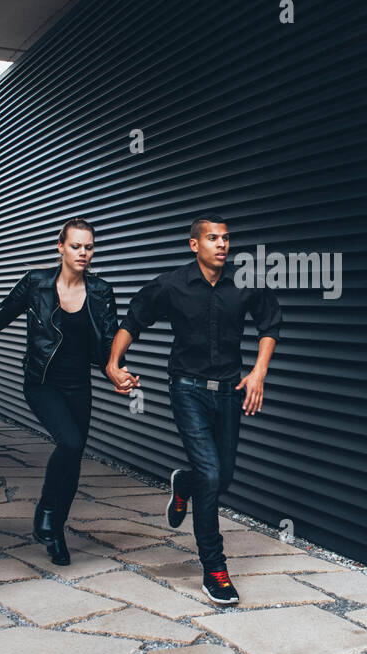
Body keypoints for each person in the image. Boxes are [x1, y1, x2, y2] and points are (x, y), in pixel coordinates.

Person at [0, 218, 130, 566]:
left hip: (78, 384)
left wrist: (118, 370)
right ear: (60, 247)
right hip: (41, 382)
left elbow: (111, 342)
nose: (83, 253)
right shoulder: (36, 284)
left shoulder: (100, 291)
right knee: (70, 442)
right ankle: (47, 513)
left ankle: (55, 529)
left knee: (73, 454)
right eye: (76, 245)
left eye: (89, 247)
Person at [106, 215, 281, 605]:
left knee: (223, 478)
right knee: (211, 474)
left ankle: (183, 483)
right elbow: (134, 319)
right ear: (194, 245)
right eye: (213, 238)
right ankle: (214, 569)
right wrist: (114, 363)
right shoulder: (172, 285)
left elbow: (270, 323)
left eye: (226, 238)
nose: (222, 244)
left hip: (231, 391)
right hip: (187, 388)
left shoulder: (245, 282)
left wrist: (258, 374)